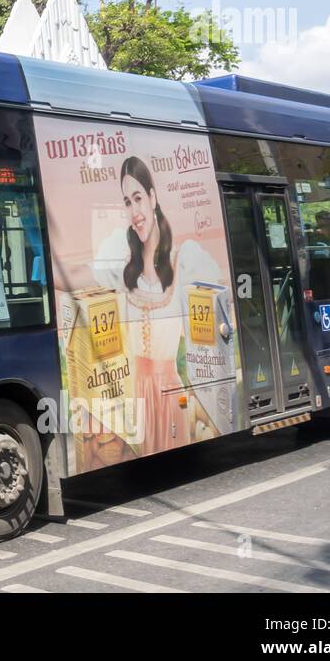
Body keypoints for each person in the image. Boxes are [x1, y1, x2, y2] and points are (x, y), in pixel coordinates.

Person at [85, 156, 222, 465]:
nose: (135, 212)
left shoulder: (183, 260)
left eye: (138, 198)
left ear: (153, 197)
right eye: (127, 202)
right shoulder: (122, 264)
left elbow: (218, 307)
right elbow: (82, 277)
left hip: (169, 393)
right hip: (133, 392)